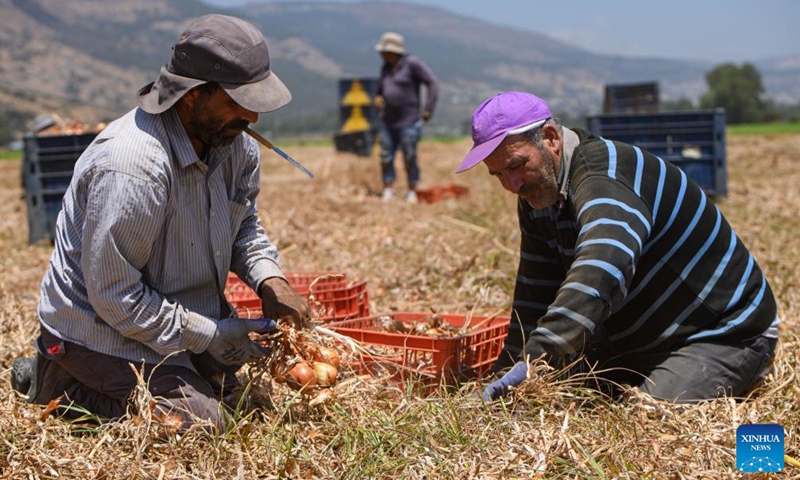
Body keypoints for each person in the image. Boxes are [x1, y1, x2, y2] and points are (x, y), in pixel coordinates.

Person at [10, 14, 310, 431]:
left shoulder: (234, 145)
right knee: (202, 425)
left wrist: (269, 280)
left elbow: (244, 225)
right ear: (192, 95)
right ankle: (58, 379)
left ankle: (181, 369)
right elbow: (115, 297)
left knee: (237, 398)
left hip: (171, 313)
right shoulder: (133, 166)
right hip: (102, 329)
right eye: (238, 101)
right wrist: (206, 335)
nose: (252, 119)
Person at [454, 92, 779, 404]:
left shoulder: (605, 175)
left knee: (647, 421)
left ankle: (748, 365)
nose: (512, 184)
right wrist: (509, 368)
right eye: (498, 174)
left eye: (516, 165)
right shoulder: (538, 194)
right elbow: (534, 292)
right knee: (563, 403)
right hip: (632, 341)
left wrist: (537, 357)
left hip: (718, 334)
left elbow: (602, 270)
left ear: (551, 137)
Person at [373, 32, 439, 203]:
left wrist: (428, 108)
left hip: (408, 121)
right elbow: (381, 89)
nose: (381, 54)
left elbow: (432, 82)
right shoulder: (385, 67)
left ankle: (412, 189)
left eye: (384, 51)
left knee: (409, 155)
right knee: (386, 156)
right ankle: (388, 187)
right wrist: (378, 97)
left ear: (393, 51)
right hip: (388, 121)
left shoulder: (412, 64)